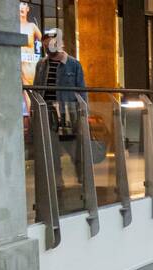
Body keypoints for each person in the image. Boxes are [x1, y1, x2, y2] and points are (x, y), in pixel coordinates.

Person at [34, 29, 86, 190]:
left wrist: (83, 114)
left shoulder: (73, 64)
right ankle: (57, 182)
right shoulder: (42, 64)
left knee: (74, 149)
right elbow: (36, 88)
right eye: (45, 45)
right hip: (47, 112)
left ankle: (83, 178)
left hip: (67, 112)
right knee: (52, 150)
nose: (47, 48)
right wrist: (35, 109)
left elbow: (82, 91)